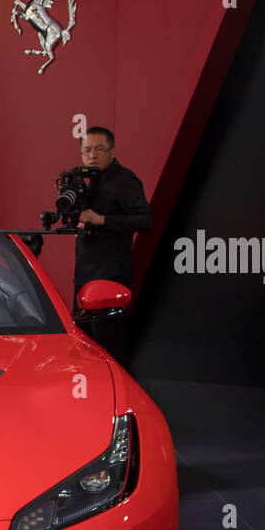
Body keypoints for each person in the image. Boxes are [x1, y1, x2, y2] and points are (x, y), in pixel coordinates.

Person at [72, 127, 152, 359]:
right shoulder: (88, 183)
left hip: (110, 277)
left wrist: (102, 219)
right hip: (84, 276)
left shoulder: (124, 180)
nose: (93, 155)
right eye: (87, 150)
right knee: (85, 347)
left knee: (110, 350)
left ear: (111, 151)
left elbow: (145, 220)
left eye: (99, 149)